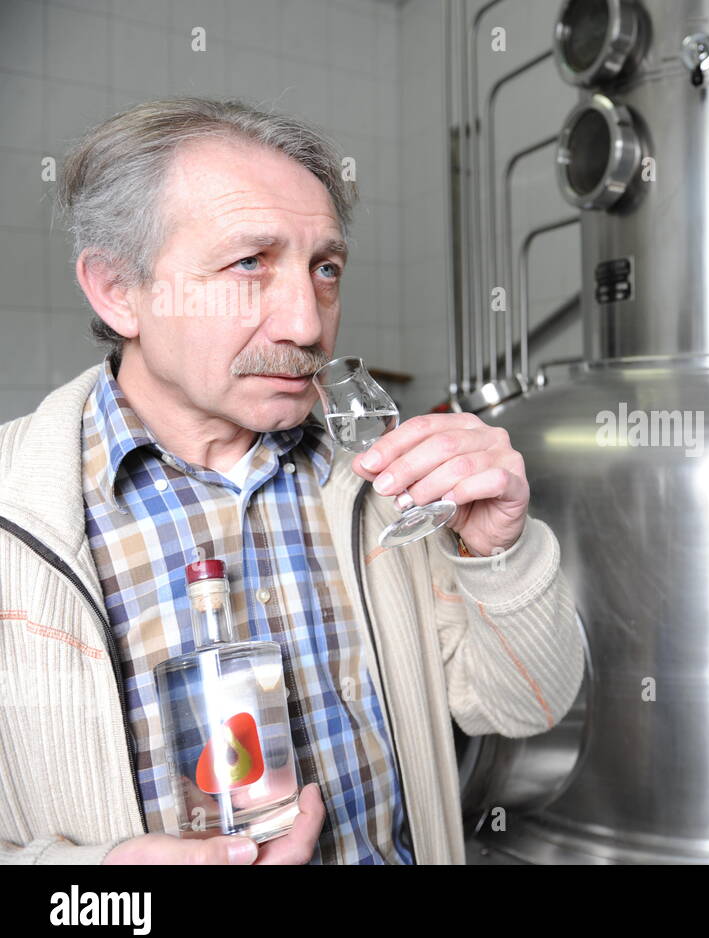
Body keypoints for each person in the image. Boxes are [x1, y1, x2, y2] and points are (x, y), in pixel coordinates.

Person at [0, 98, 583, 864]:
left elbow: (526, 705)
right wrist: (107, 887)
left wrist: (498, 553)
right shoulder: (20, 517)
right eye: (251, 264)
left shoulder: (379, 488)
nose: (308, 325)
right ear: (118, 289)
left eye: (325, 268)